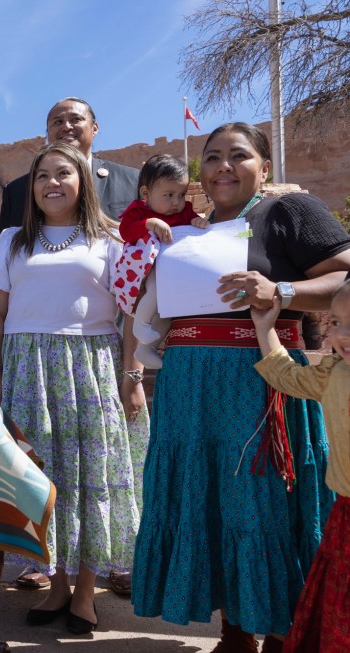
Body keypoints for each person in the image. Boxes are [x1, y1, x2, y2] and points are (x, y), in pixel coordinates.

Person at [131, 123, 350, 653]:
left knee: (263, 498)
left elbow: (347, 277)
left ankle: (279, 630)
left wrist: (283, 289)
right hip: (187, 384)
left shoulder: (289, 213)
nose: (222, 166)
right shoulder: (191, 231)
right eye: (211, 158)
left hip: (259, 377)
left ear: (265, 168)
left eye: (238, 156)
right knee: (210, 498)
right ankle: (233, 628)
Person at [0, 143, 147, 635]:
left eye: (63, 174)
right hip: (27, 370)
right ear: (32, 188)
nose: (52, 183)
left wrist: (132, 376)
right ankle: (57, 586)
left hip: (91, 368)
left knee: (91, 477)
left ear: (83, 182)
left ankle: (87, 593)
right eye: (42, 175)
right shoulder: (10, 241)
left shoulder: (111, 239)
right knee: (45, 479)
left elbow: (132, 312)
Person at [251, 283, 350, 653]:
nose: (341, 334)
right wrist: (265, 329)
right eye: (337, 322)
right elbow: (288, 377)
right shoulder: (334, 372)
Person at [113, 154, 208, 368]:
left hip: (175, 268)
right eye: (169, 195)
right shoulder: (139, 211)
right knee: (156, 291)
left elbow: (193, 223)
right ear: (146, 193)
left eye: (181, 194)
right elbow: (126, 231)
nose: (177, 202)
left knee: (170, 311)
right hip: (151, 266)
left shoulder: (184, 211)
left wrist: (198, 221)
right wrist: (148, 223)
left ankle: (146, 349)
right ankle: (140, 326)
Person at [0, 97, 139, 234]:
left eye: (76, 119)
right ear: (47, 133)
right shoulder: (18, 191)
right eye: (58, 122)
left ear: (94, 128)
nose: (66, 127)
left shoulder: (132, 180)